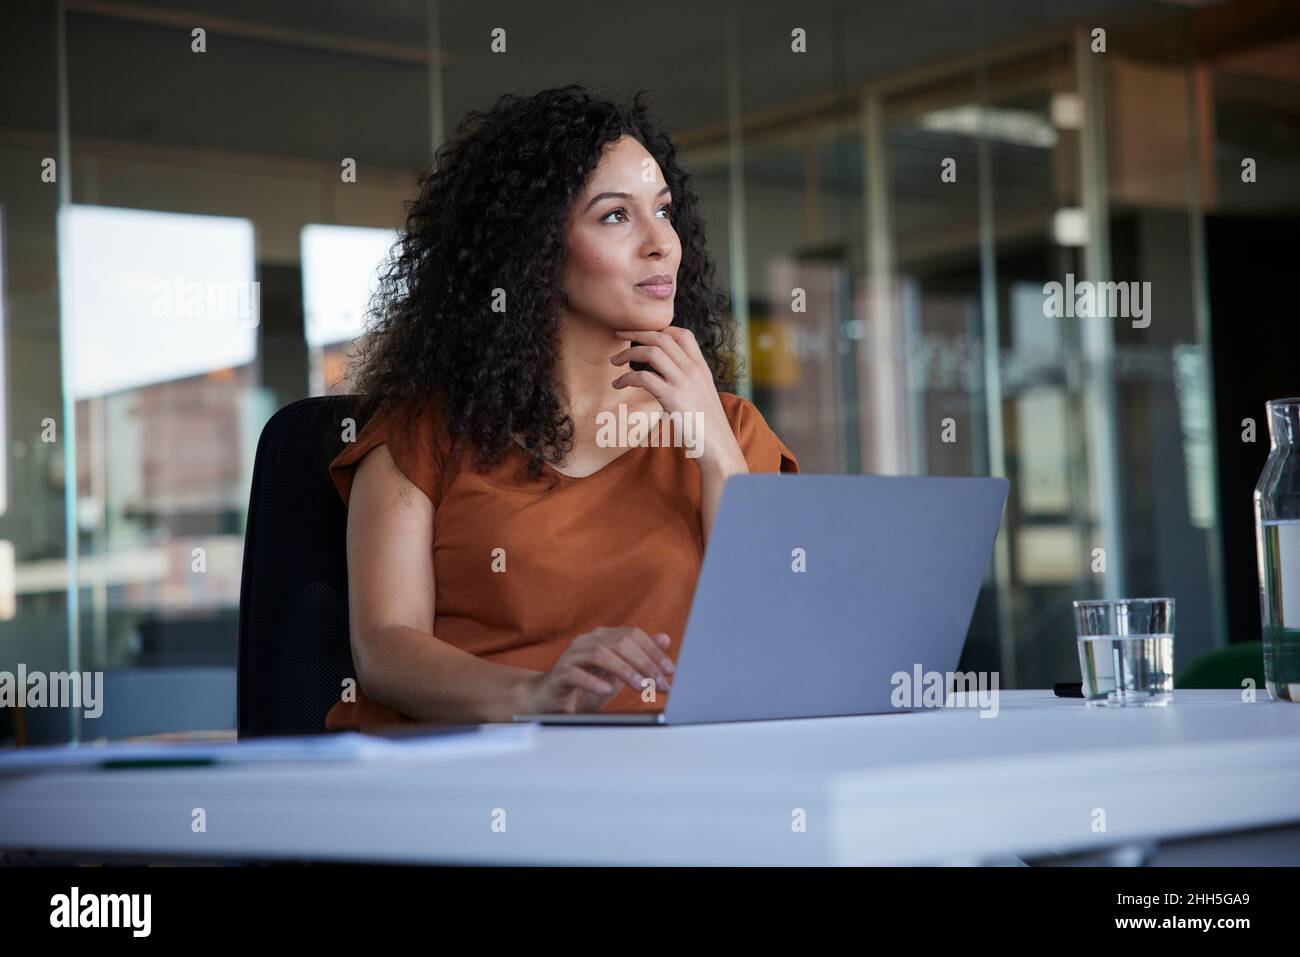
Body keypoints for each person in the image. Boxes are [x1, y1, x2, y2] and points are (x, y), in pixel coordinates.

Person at [326, 84, 798, 730]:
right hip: (472, 780)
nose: (661, 243)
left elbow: (778, 647)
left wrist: (714, 449)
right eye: (614, 216)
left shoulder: (734, 432)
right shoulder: (425, 434)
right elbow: (383, 646)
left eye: (663, 210)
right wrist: (536, 693)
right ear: (536, 252)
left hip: (672, 789)